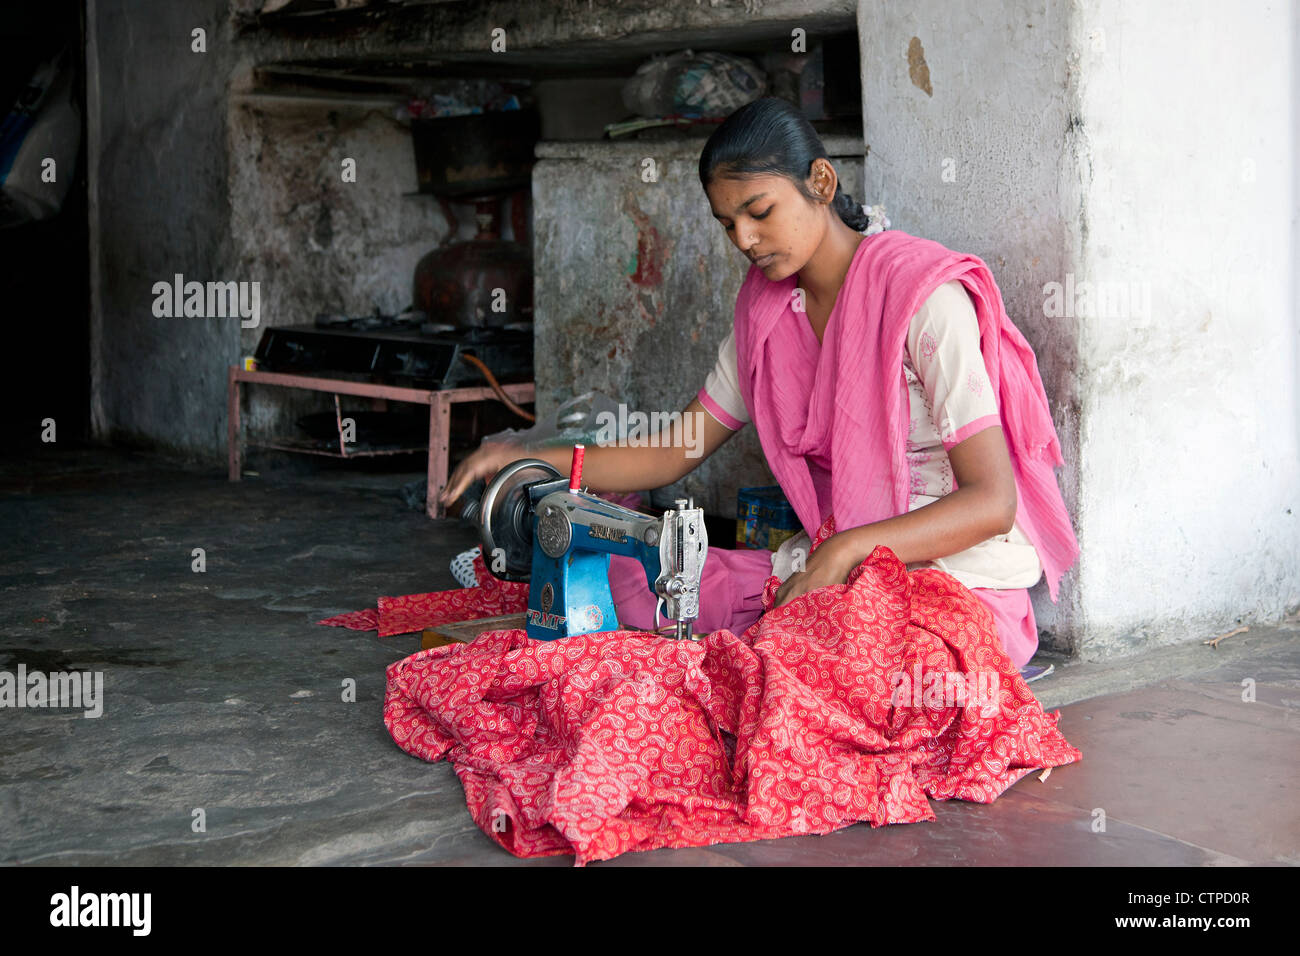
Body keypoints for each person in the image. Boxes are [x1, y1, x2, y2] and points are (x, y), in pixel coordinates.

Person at [438, 96, 1078, 670]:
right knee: (626, 587)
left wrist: (846, 552)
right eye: (726, 223)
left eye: (759, 211)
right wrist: (526, 454)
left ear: (820, 182)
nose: (744, 239)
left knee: (809, 667)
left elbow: (992, 502)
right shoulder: (768, 319)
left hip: (954, 587)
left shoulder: (922, 299)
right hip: (837, 569)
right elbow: (674, 450)